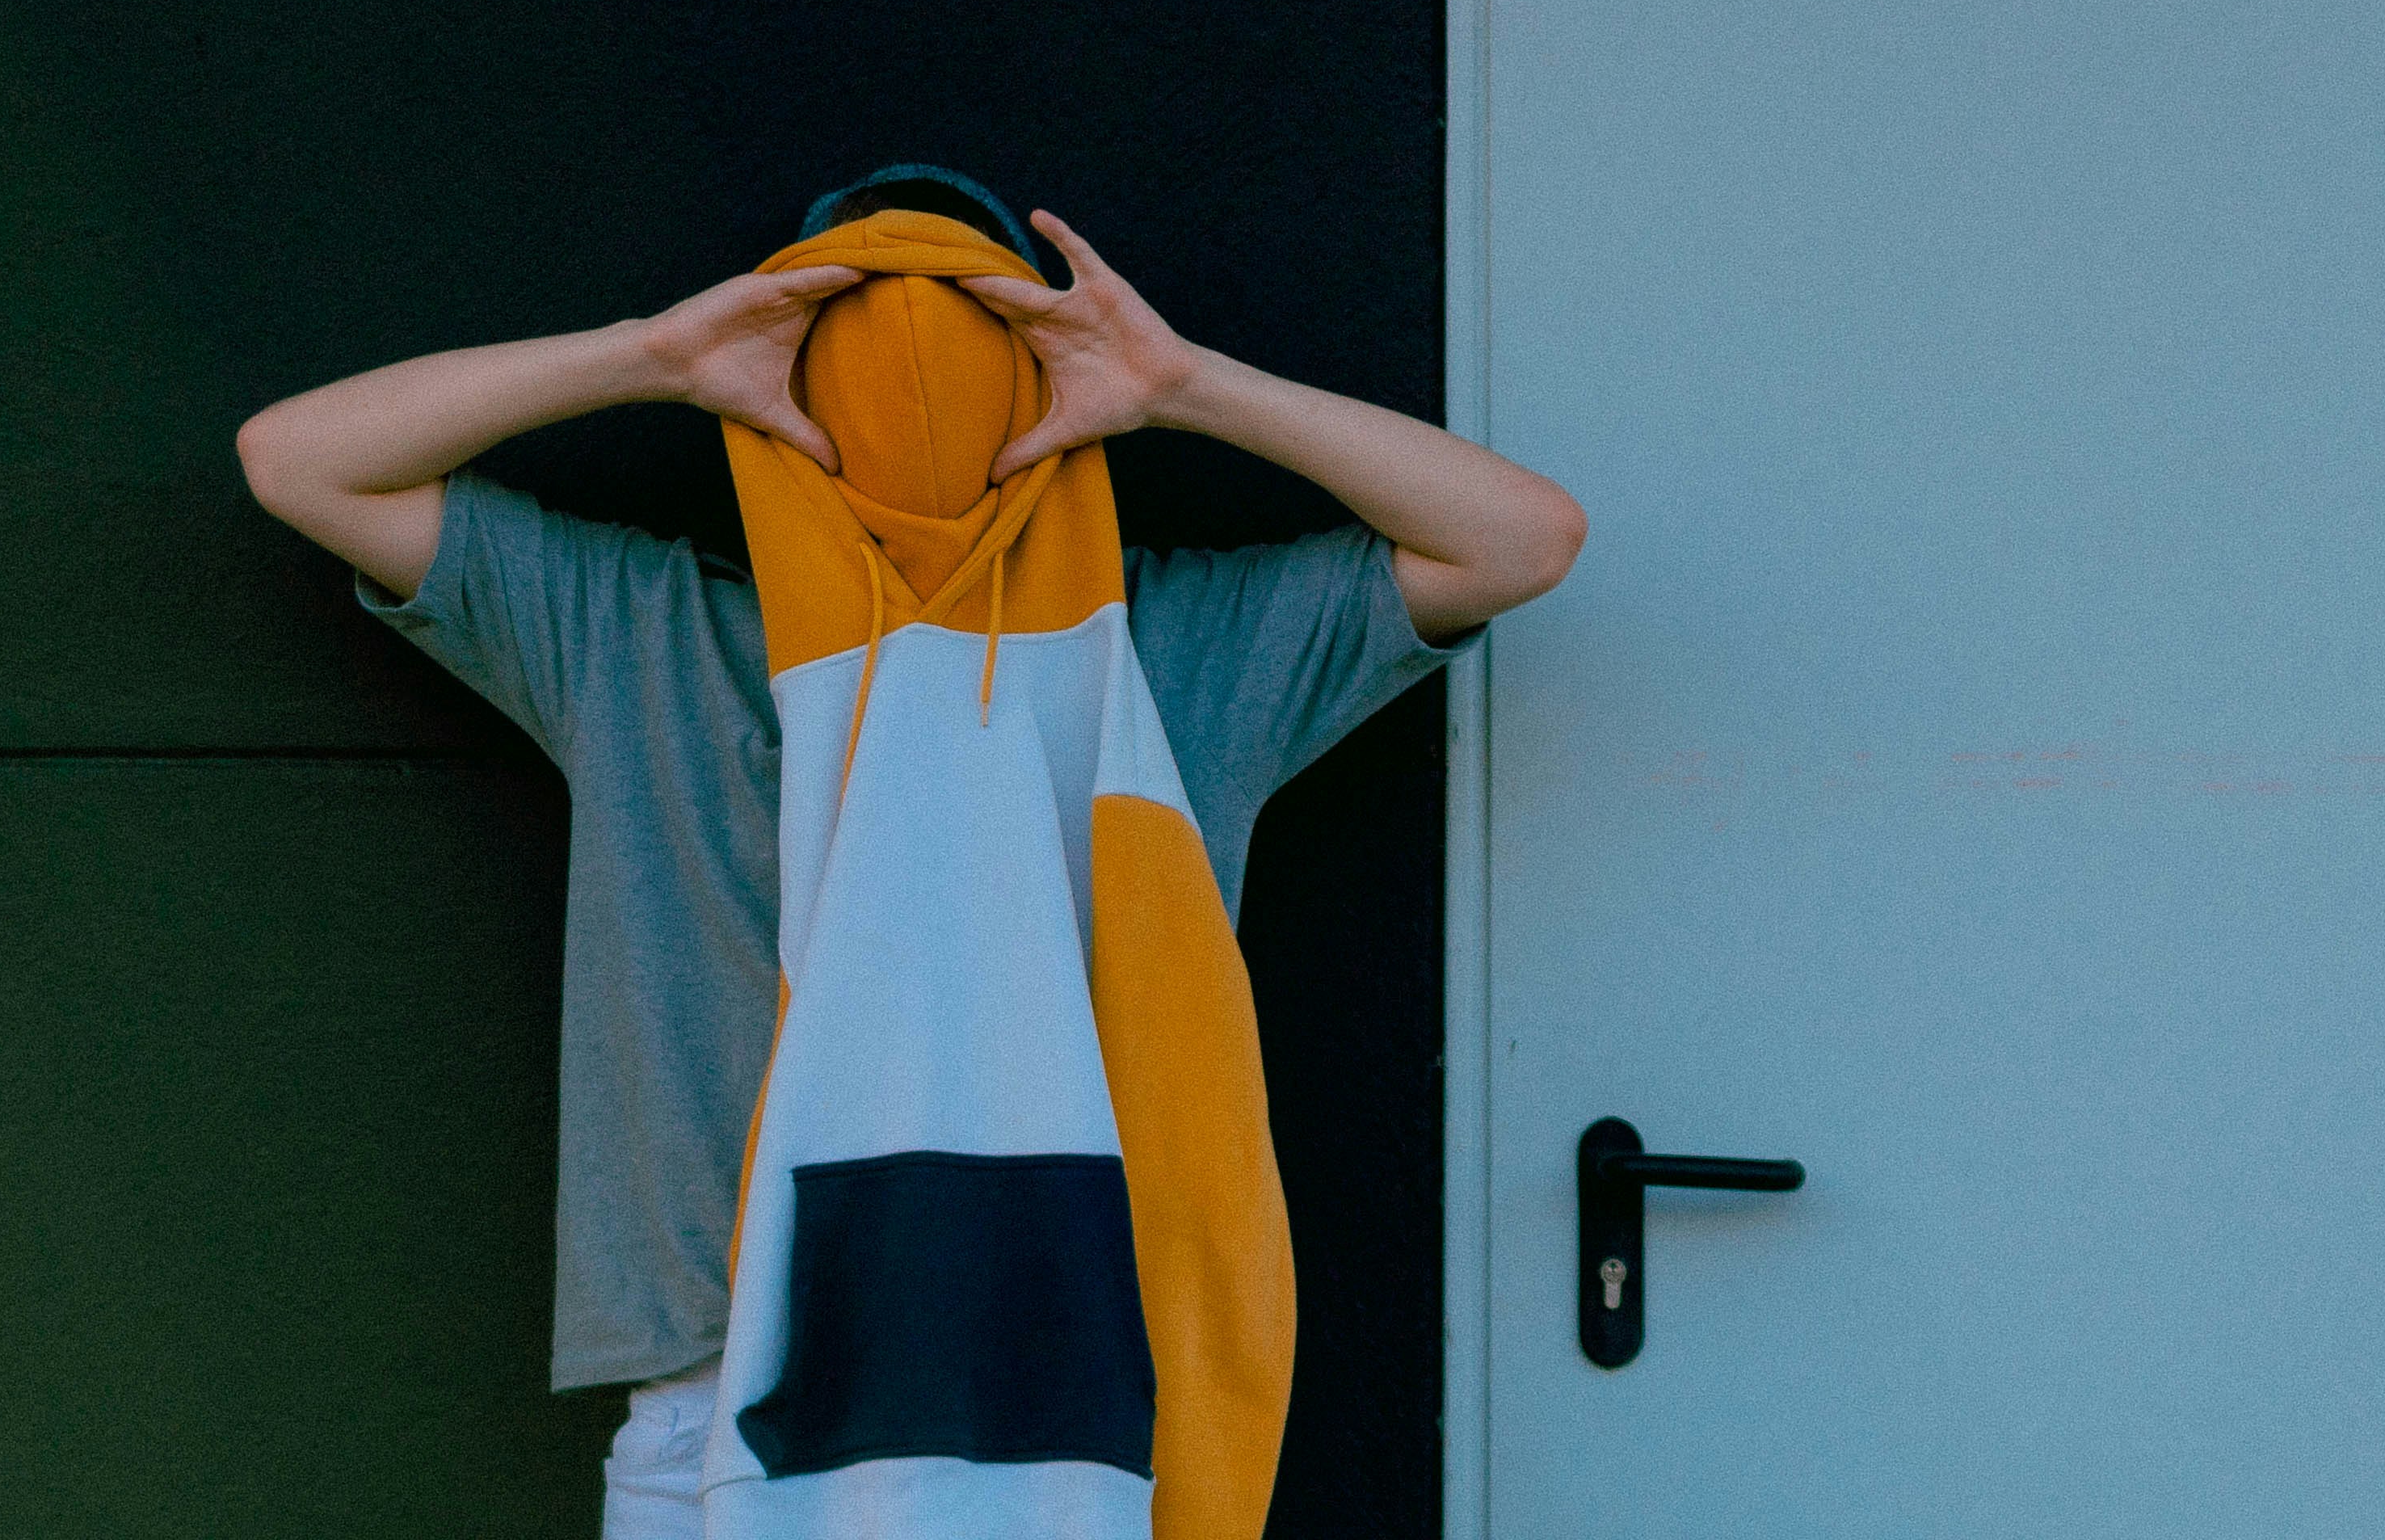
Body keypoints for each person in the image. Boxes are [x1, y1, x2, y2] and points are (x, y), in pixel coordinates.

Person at [234, 167, 1584, 1537]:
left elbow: (1523, 539)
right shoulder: (640, 633)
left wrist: (1178, 383)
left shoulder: (1149, 657)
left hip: (1058, 1378)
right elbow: (298, 461)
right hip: (733, 1384)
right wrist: (659, 357)